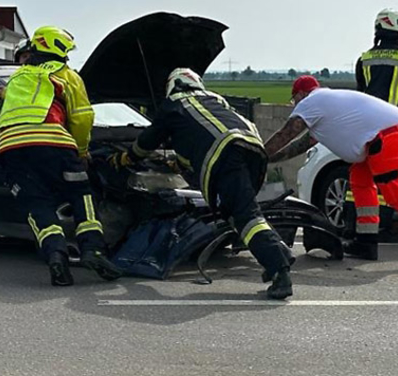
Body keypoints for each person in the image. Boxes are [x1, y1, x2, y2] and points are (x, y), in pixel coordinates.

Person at [113, 68, 294, 299]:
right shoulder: (214, 100)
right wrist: (178, 163)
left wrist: (125, 158)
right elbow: (196, 141)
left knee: (244, 217)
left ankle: (279, 270)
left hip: (225, 153)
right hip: (253, 148)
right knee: (243, 212)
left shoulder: (174, 105)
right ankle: (279, 253)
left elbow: (147, 142)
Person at [264, 75, 398, 267]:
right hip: (385, 135)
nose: (294, 105)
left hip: (387, 136)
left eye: (294, 100)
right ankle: (366, 242)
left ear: (300, 94)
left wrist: (260, 154)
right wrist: (270, 158)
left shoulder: (311, 102)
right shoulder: (326, 104)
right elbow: (302, 144)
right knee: (359, 180)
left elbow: (287, 133)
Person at [0, 26, 121, 286]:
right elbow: (83, 118)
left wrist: (1, 94)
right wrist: (82, 151)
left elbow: (14, 97)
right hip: (52, 142)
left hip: (10, 148)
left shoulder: (19, 76)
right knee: (81, 195)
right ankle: (93, 250)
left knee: (37, 203)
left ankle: (55, 255)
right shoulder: (67, 76)